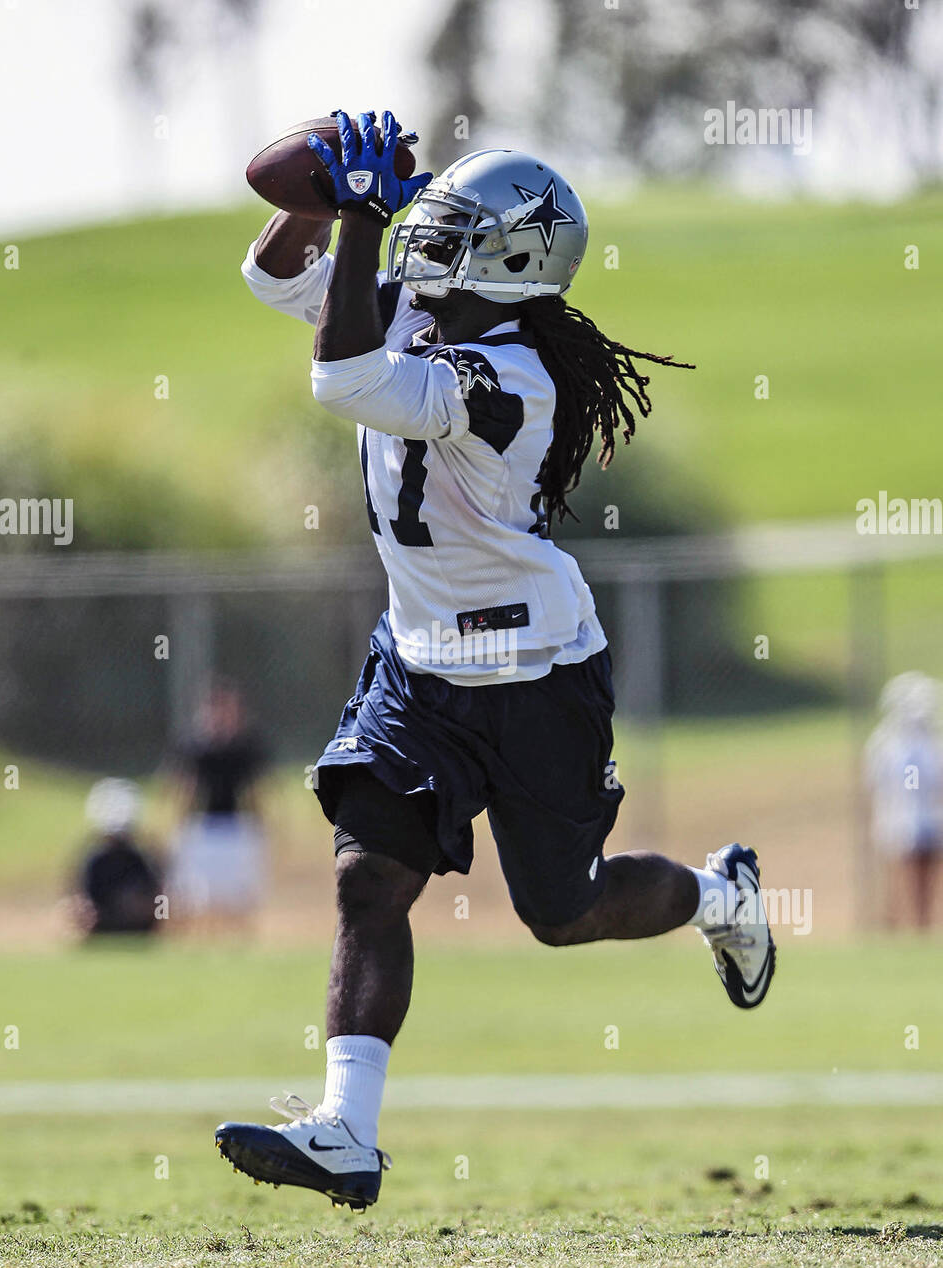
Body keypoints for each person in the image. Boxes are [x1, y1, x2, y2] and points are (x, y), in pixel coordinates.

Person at [216, 111, 775, 1210]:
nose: (427, 237)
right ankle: (348, 1132)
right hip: (419, 667)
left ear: (516, 259)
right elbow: (270, 264)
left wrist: (368, 226)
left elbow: (345, 383)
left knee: (560, 913)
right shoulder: (422, 305)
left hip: (535, 676)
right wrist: (330, 178)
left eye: (455, 227)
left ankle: (722, 896)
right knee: (367, 879)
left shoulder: (516, 377)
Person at [169, 680, 269, 924]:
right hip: (204, 825)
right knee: (198, 894)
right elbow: (185, 789)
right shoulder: (194, 747)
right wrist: (180, 826)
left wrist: (260, 826)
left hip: (236, 824)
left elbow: (255, 790)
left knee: (239, 894)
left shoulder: (246, 746)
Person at [865, 671, 943, 929]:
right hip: (897, 822)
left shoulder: (931, 744)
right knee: (898, 881)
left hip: (929, 820)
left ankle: (922, 927)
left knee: (926, 879)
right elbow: (876, 785)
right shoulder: (885, 745)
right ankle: (895, 929)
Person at [73, 778, 162, 937]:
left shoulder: (141, 860)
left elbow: (159, 903)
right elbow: (81, 905)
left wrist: (142, 907)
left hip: (138, 929)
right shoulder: (96, 861)